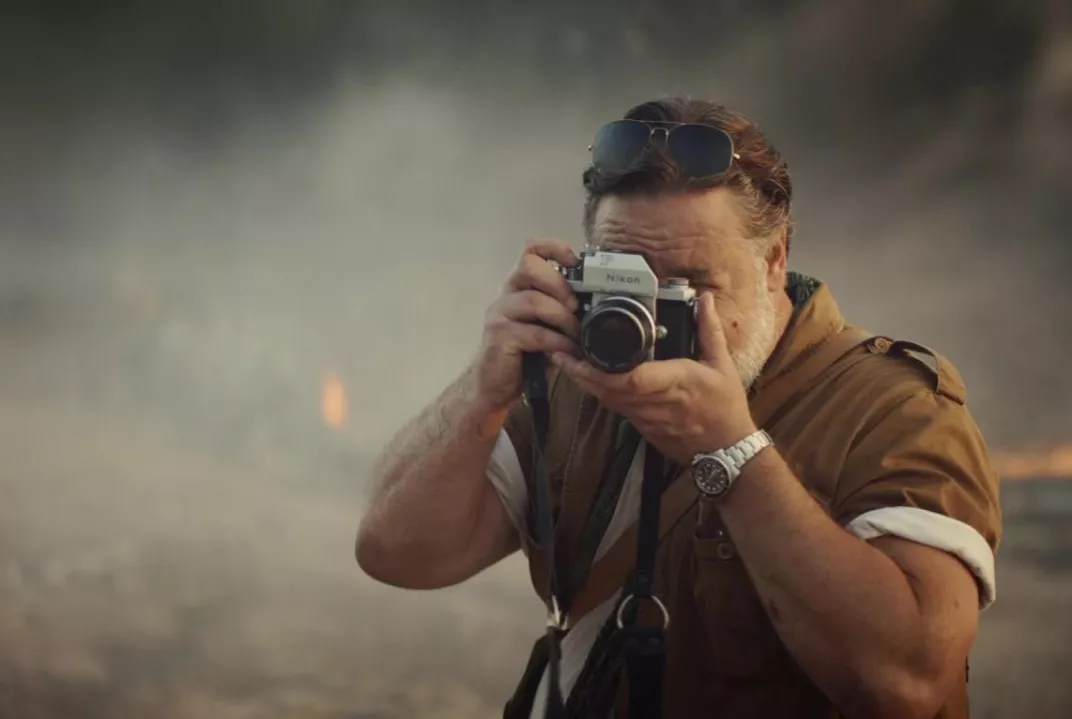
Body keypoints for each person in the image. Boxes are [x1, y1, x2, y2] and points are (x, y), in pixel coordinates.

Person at [353, 96, 1001, 719]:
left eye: (691, 285)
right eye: (627, 277)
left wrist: (733, 450)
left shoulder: (893, 408)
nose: (654, 317)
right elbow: (396, 552)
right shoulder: (580, 377)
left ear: (775, 259)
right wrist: (483, 389)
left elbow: (906, 684)